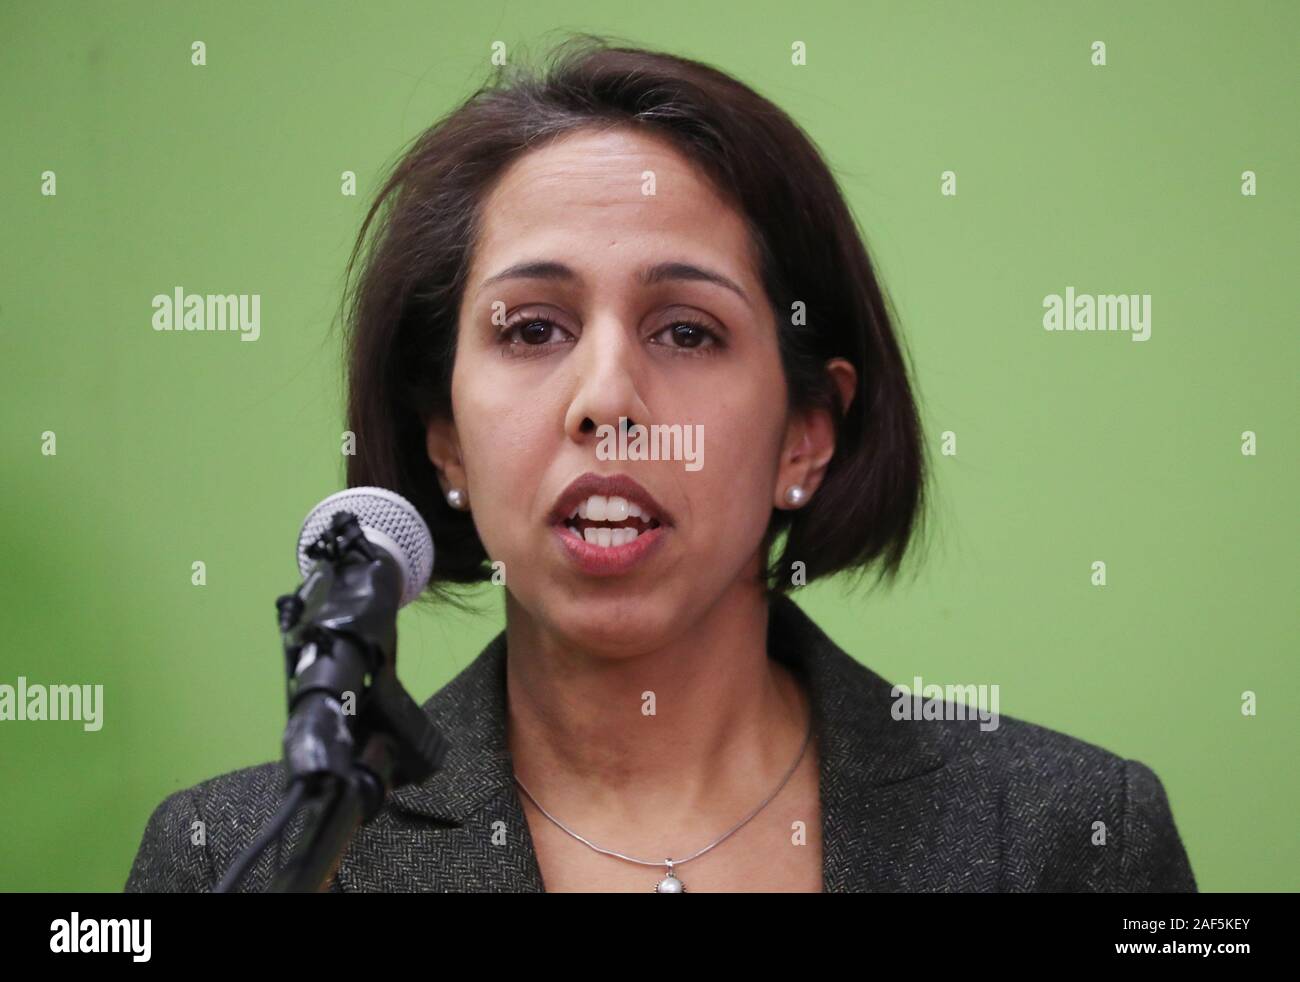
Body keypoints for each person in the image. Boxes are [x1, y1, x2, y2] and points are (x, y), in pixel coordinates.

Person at [125, 34, 1196, 893]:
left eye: (686, 331)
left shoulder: (1069, 838)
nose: (605, 400)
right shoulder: (237, 857)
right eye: (532, 329)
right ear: (444, 436)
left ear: (804, 436)